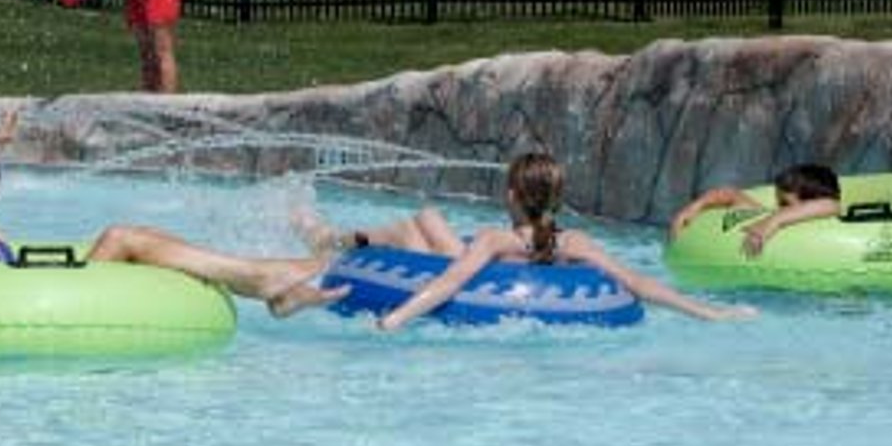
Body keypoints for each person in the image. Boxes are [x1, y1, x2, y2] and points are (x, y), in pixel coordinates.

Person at [0, 132, 348, 364]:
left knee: (135, 242)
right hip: (63, 309)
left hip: (63, 294)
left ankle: (266, 286)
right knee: (123, 238)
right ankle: (263, 280)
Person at [295, 151, 757, 331]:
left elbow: (450, 283)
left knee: (419, 222)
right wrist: (709, 311)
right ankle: (331, 236)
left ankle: (327, 237)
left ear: (512, 196)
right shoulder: (571, 241)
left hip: (458, 276)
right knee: (423, 224)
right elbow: (637, 282)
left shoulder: (496, 240)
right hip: (510, 277)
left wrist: (394, 320)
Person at [668, 163, 842, 257]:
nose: (779, 208)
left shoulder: (828, 214)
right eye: (779, 202)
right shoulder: (765, 217)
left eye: (785, 203)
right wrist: (696, 206)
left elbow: (831, 205)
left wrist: (774, 221)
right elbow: (731, 194)